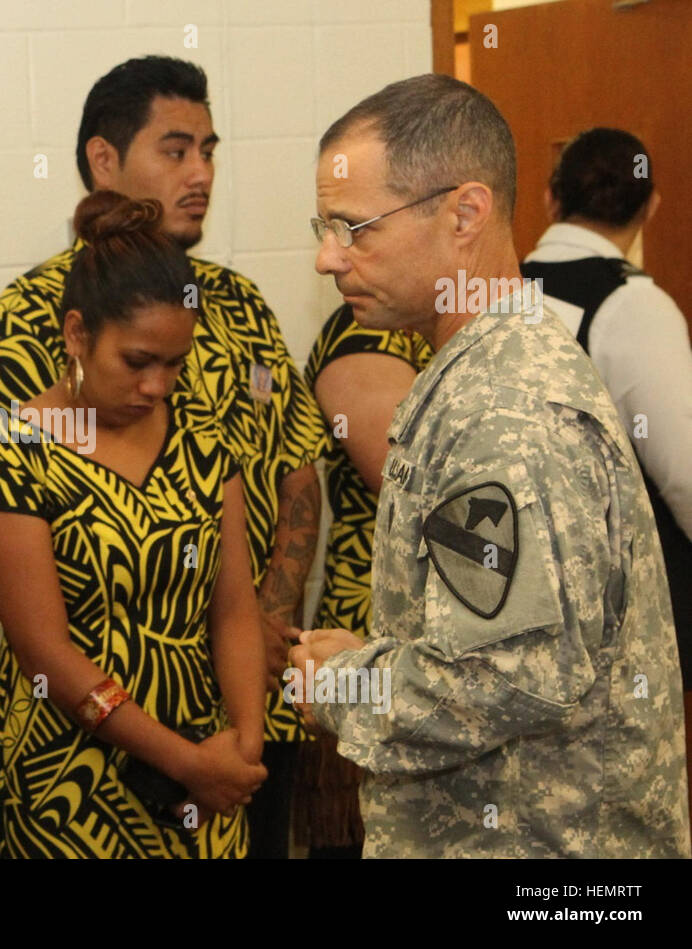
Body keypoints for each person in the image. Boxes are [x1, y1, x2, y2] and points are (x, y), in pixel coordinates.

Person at [293, 73, 690, 857]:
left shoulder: (505, 407)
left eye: (354, 227)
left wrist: (342, 684)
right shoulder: (480, 371)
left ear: (465, 213)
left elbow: (507, 676)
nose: (326, 258)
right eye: (324, 225)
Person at [0, 54, 328, 858]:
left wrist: (264, 645)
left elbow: (297, 471)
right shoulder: (26, 323)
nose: (201, 172)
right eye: (176, 150)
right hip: (81, 764)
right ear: (105, 160)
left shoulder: (239, 309)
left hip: (236, 722)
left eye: (210, 149)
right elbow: (38, 611)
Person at [0, 190, 267, 858]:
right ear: (76, 334)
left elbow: (235, 610)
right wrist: (184, 760)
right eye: (137, 361)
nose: (157, 385)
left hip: (204, 783)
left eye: (175, 364)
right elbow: (49, 657)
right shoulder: (15, 453)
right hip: (70, 790)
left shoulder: (204, 443)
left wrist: (241, 744)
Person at [520, 128, 692, 819]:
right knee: (629, 808)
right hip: (628, 610)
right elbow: (683, 469)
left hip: (524, 595)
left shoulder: (498, 293)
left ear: (549, 195)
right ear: (650, 207)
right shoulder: (633, 304)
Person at [295, 305, 431, 858]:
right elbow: (428, 505)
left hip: (446, 655)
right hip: (372, 639)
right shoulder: (365, 336)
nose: (331, 258)